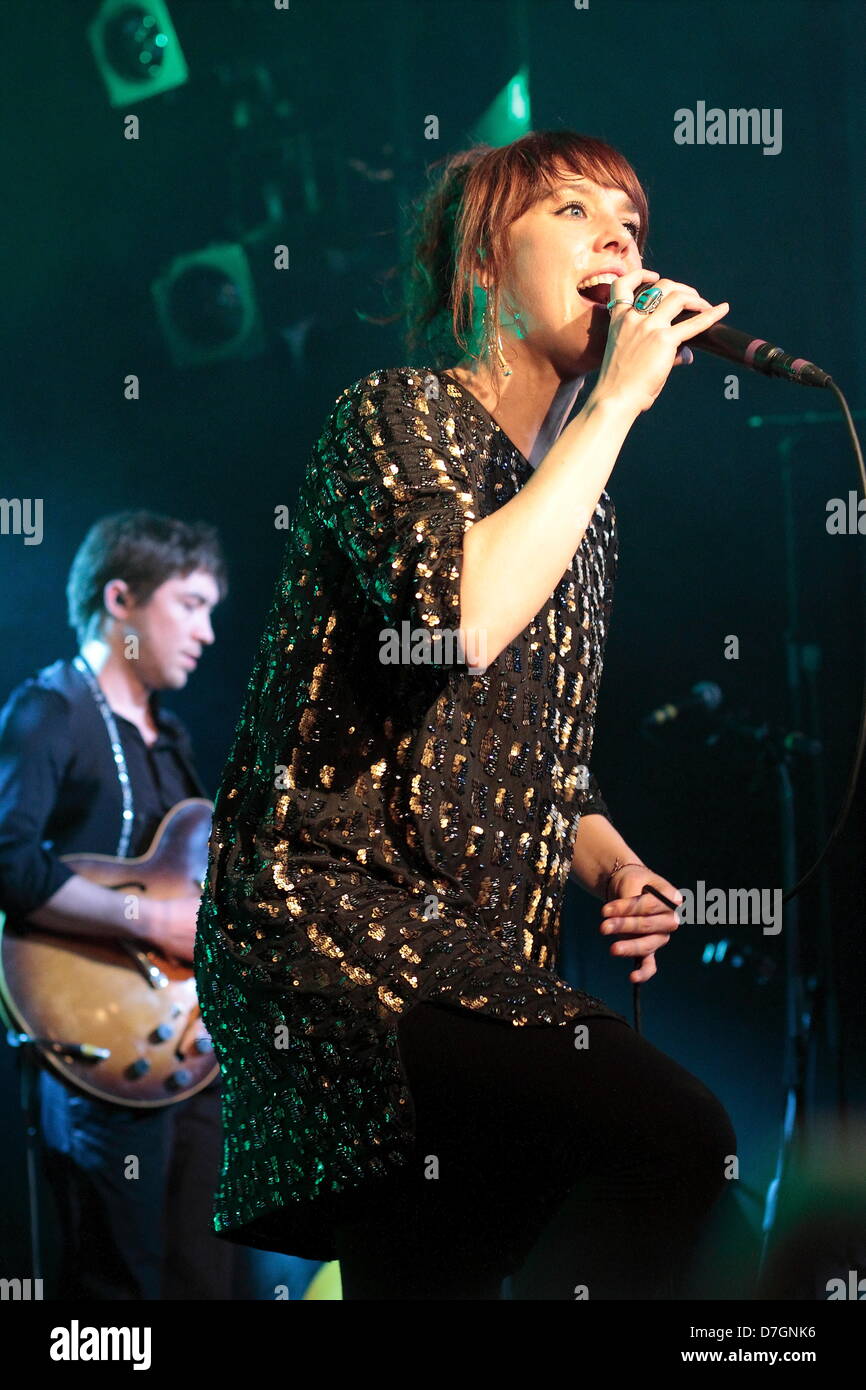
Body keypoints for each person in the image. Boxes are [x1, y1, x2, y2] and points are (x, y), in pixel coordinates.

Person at [193, 130, 738, 1300]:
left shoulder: (573, 513)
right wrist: (615, 410)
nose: (616, 238)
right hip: (332, 916)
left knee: (437, 1275)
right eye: (573, 212)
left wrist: (603, 860)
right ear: (480, 266)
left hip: (478, 944)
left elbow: (523, 741)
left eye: (629, 223)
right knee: (678, 1135)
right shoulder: (389, 415)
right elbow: (459, 619)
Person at [0, 511, 243, 1299]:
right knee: (118, 1287)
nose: (207, 631)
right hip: (92, 1048)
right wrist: (147, 919)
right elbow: (7, 860)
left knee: (203, 1276)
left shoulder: (171, 739)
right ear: (120, 599)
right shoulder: (50, 711)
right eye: (191, 604)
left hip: (186, 1052)